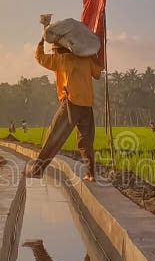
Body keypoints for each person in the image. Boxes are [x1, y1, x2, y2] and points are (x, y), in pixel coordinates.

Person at [25, 35, 102, 181]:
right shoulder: (85, 59)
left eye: (54, 50)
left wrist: (41, 40)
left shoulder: (61, 59)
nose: (53, 53)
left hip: (71, 102)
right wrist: (98, 57)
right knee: (86, 140)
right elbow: (97, 73)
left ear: (59, 49)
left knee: (54, 135)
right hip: (87, 104)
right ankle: (91, 174)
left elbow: (39, 57)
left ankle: (36, 171)